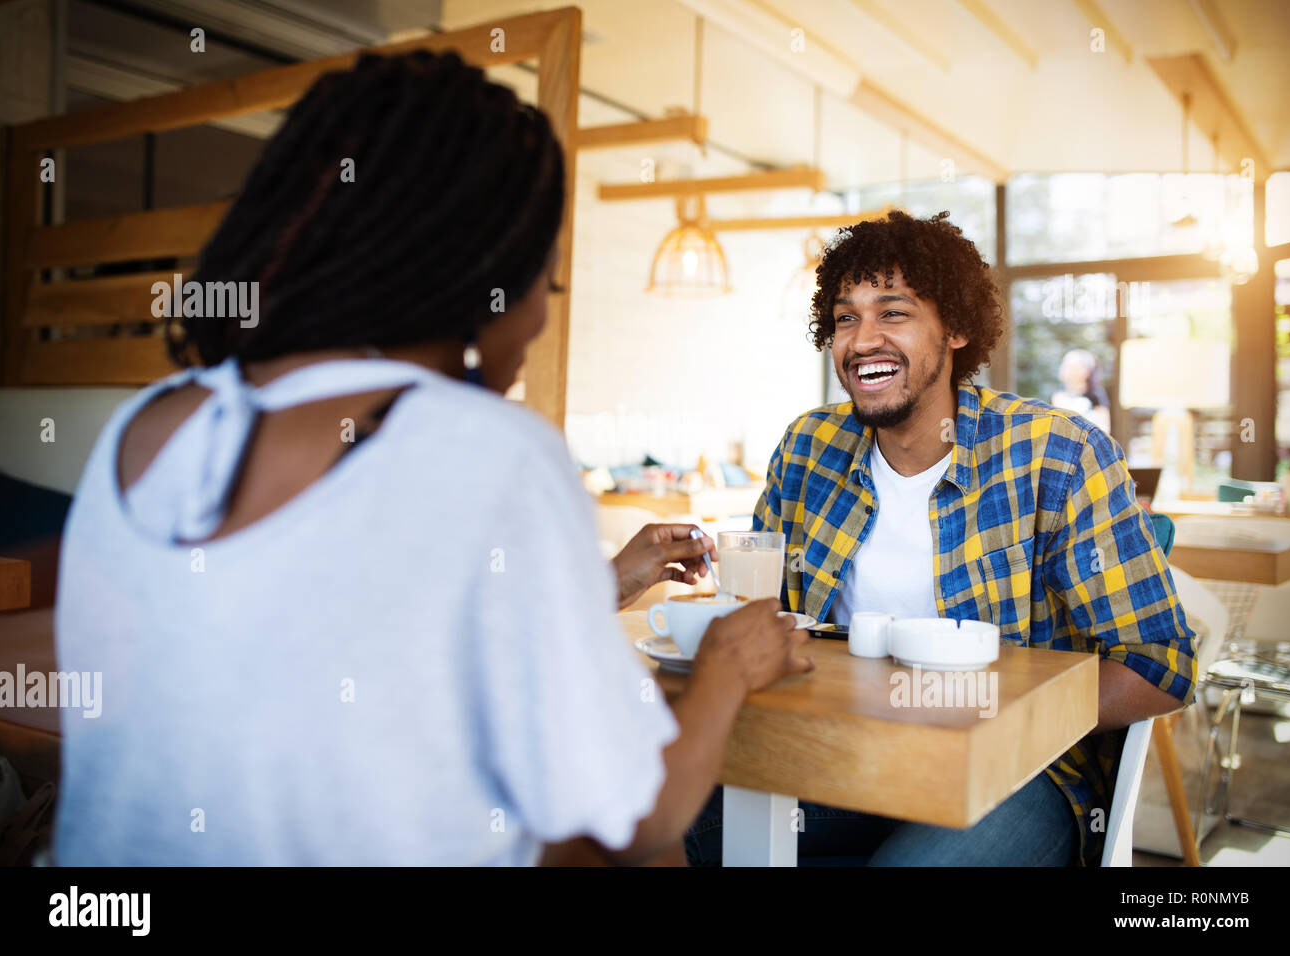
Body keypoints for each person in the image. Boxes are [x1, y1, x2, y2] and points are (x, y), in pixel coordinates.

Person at [52, 50, 813, 866]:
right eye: (542, 287)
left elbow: (352, 633)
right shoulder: (488, 448)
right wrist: (728, 667)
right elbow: (642, 811)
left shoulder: (146, 428)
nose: (532, 323)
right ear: (476, 273)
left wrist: (611, 581)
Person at [685, 211, 1196, 867]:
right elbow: (763, 623)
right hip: (835, 756)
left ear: (955, 329)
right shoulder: (808, 448)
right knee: (654, 827)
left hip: (1019, 776)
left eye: (892, 313)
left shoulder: (1058, 456)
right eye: (845, 318)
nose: (862, 339)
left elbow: (1161, 666)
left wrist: (998, 722)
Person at [1051, 349, 1111, 433]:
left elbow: (1104, 427)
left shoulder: (1096, 394)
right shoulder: (1058, 395)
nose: (1066, 370)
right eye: (1065, 365)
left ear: (1086, 371)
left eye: (1072, 366)